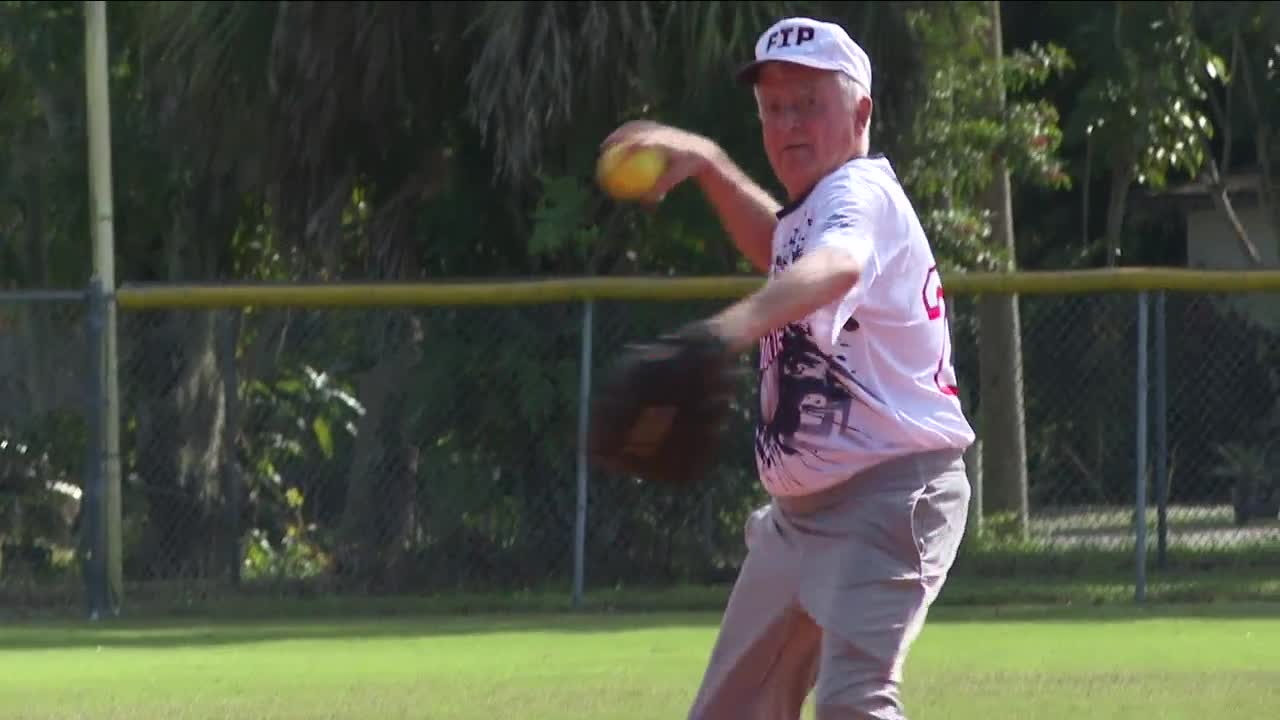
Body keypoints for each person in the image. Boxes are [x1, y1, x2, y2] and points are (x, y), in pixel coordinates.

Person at [600, 16, 976, 720]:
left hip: (888, 499)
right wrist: (710, 164)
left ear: (860, 113)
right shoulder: (820, 207)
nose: (788, 124)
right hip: (797, 522)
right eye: (773, 107)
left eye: (809, 102)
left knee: (854, 704)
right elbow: (786, 249)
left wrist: (723, 334)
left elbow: (836, 267)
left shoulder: (858, 193)